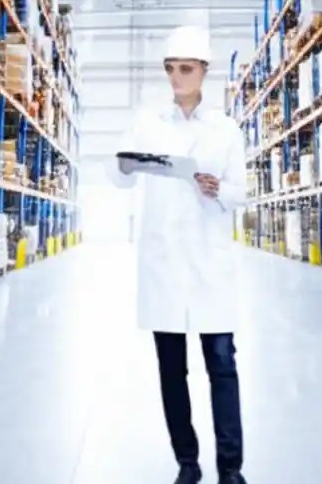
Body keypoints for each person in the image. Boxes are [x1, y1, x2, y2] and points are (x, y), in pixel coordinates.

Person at [107, 25, 249, 484]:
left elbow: (242, 191)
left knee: (222, 365)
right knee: (172, 370)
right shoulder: (148, 122)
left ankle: (231, 468)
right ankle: (188, 463)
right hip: (163, 262)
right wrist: (124, 164)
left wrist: (218, 188)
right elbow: (120, 176)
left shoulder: (226, 128)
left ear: (203, 71)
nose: (176, 77)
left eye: (185, 69)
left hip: (209, 262)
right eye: (170, 69)